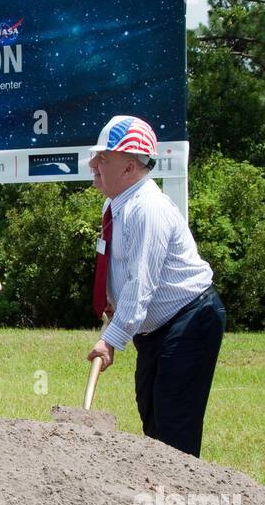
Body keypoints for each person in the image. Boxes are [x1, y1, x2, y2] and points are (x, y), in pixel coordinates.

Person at [86, 115, 225, 458]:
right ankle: (163, 497)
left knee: (173, 426)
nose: (94, 164)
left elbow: (141, 283)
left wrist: (111, 340)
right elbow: (122, 269)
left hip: (190, 321)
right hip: (156, 329)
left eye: (104, 158)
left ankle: (180, 502)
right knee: (152, 416)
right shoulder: (116, 204)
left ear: (130, 168)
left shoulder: (147, 208)